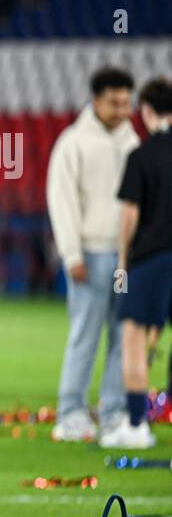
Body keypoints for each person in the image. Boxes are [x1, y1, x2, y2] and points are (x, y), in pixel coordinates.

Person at [46, 66, 140, 442]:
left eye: (126, 103)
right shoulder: (73, 143)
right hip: (89, 252)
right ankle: (71, 413)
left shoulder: (133, 145)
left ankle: (114, 413)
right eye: (114, 103)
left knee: (123, 337)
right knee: (84, 334)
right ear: (96, 100)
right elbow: (61, 202)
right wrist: (71, 254)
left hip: (126, 256)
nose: (122, 110)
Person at [108, 77, 172, 450]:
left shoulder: (141, 157)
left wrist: (121, 261)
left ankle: (136, 425)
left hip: (151, 259)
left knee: (134, 340)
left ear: (146, 111)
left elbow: (128, 216)